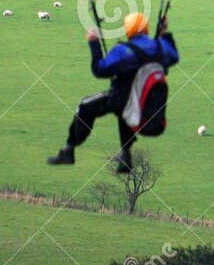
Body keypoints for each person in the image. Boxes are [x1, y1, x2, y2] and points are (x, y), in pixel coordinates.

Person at [47, 9, 176, 172]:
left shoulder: (123, 51)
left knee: (86, 106)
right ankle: (125, 155)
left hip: (125, 101)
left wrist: (94, 42)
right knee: (123, 110)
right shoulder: (161, 48)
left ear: (128, 30)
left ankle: (69, 150)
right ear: (146, 29)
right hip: (150, 112)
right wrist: (163, 34)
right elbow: (173, 57)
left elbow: (99, 70)